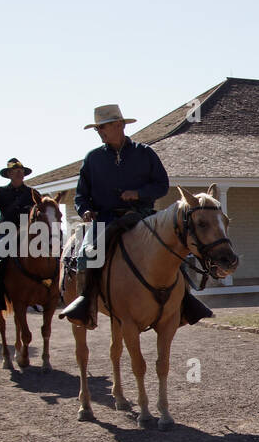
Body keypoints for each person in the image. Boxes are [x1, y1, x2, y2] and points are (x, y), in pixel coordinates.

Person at [60, 104, 212, 327]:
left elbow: (162, 185)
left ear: (119, 125)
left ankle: (185, 301)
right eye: (97, 129)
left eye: (103, 127)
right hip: (105, 219)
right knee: (86, 255)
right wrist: (85, 210)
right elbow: (81, 195)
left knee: (176, 245)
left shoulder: (145, 153)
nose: (100, 132)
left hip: (142, 216)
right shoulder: (93, 159)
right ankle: (86, 304)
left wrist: (139, 193)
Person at [0, 157, 39, 312]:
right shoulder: (0, 192)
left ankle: (48, 290)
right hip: (7, 233)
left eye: (21, 171)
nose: (19, 173)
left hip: (29, 234)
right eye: (15, 171)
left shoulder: (32, 193)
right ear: (9, 174)